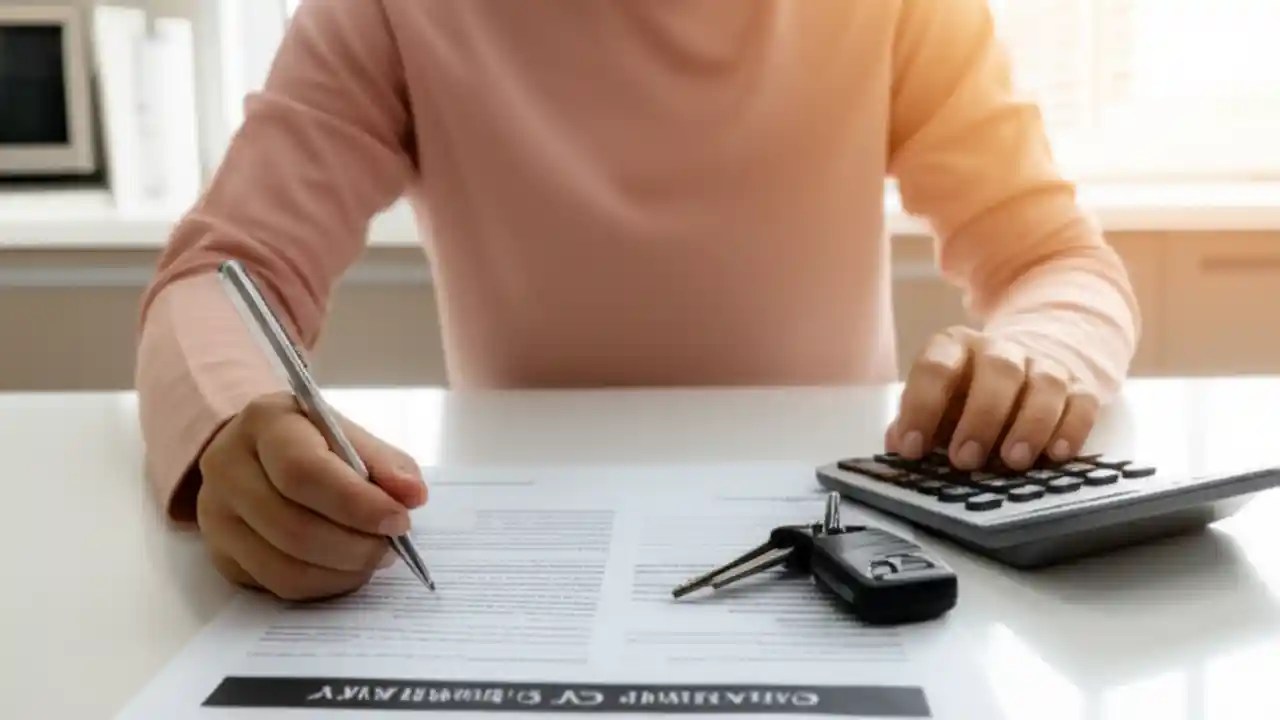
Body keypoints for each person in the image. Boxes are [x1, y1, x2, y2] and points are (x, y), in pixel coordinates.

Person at [135, 0, 1139, 601]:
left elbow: (1054, 260)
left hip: (836, 536)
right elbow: (226, 273)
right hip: (533, 558)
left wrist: (1041, 359)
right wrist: (235, 423)